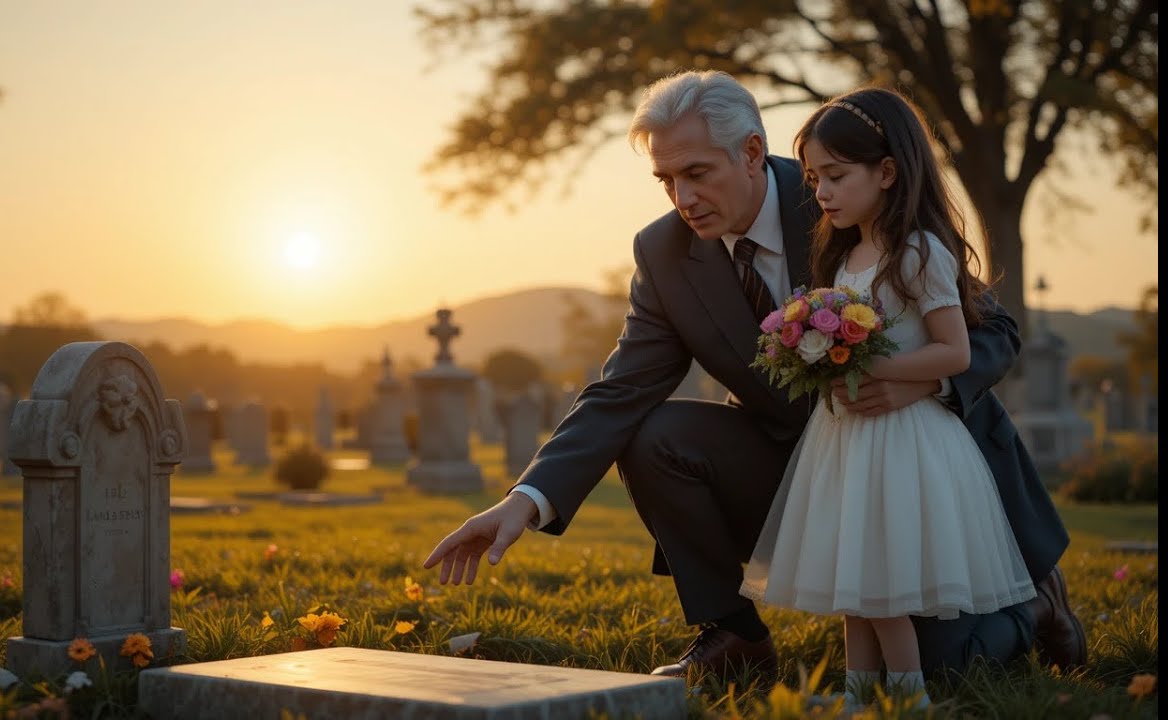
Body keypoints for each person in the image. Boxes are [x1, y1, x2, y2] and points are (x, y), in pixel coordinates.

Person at [422, 70, 1085, 684]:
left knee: (946, 668)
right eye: (665, 180)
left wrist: (920, 381)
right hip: (798, 460)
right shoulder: (663, 252)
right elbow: (620, 389)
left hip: (913, 470)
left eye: (697, 172)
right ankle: (733, 635)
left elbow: (994, 332)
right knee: (654, 432)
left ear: (750, 152)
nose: (683, 197)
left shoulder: (841, 191)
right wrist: (525, 499)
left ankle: (1035, 603)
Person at [736, 87, 1040, 710]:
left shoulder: (919, 251)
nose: (820, 190)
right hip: (849, 439)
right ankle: (857, 693)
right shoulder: (846, 256)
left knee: (886, 584)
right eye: (816, 177)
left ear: (887, 172)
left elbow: (955, 352)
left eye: (837, 176)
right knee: (855, 581)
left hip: (903, 438)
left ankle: (908, 699)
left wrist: (875, 370)